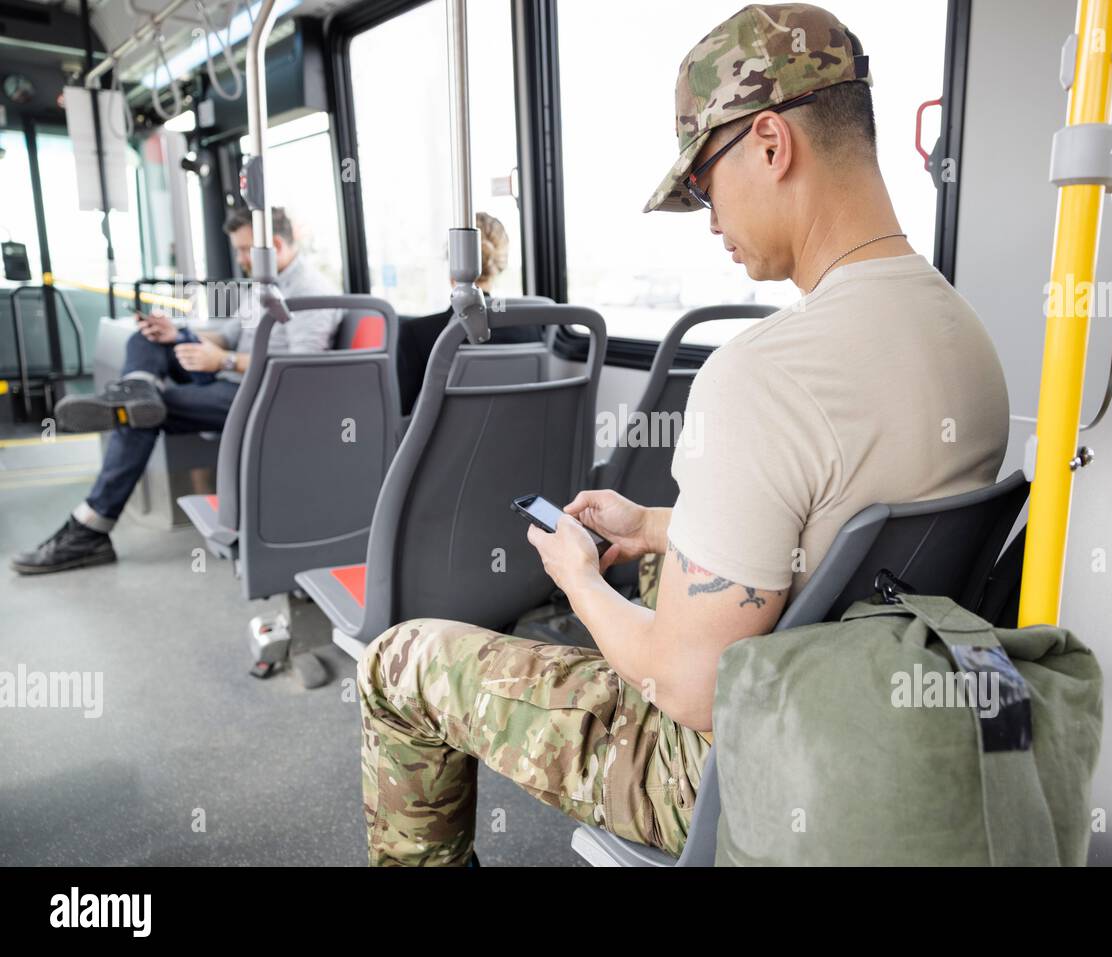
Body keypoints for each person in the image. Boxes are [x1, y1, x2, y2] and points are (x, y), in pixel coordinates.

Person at [357, 2, 1010, 865]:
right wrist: (655, 527)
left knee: (398, 662)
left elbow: (688, 688)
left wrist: (581, 580)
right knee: (665, 562)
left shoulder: (762, 372)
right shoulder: (968, 341)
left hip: (730, 767)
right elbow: (845, 543)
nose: (709, 221)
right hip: (870, 715)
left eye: (705, 183)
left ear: (772, 144)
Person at [11, 206, 342, 575]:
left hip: (265, 396)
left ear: (275, 245)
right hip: (231, 378)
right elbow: (228, 336)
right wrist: (179, 335)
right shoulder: (266, 286)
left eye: (246, 249)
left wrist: (225, 361)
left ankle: (89, 527)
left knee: (143, 415)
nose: (240, 258)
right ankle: (135, 393)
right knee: (147, 343)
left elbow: (304, 369)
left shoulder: (311, 292)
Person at [395, 211, 539, 415]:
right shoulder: (533, 329)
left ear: (453, 265)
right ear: (499, 265)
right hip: (519, 443)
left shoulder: (416, 336)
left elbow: (405, 421)